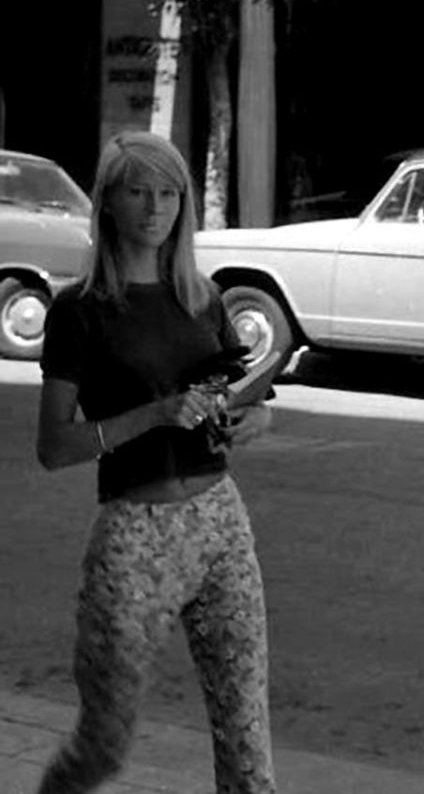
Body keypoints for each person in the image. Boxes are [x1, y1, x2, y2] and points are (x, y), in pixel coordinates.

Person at [35, 130, 277, 794]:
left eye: (169, 192)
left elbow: (238, 395)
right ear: (108, 203)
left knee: (247, 744)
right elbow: (53, 447)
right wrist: (155, 414)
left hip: (221, 523)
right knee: (103, 747)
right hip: (134, 536)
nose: (155, 208)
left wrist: (255, 418)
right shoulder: (79, 311)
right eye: (138, 191)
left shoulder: (202, 296)